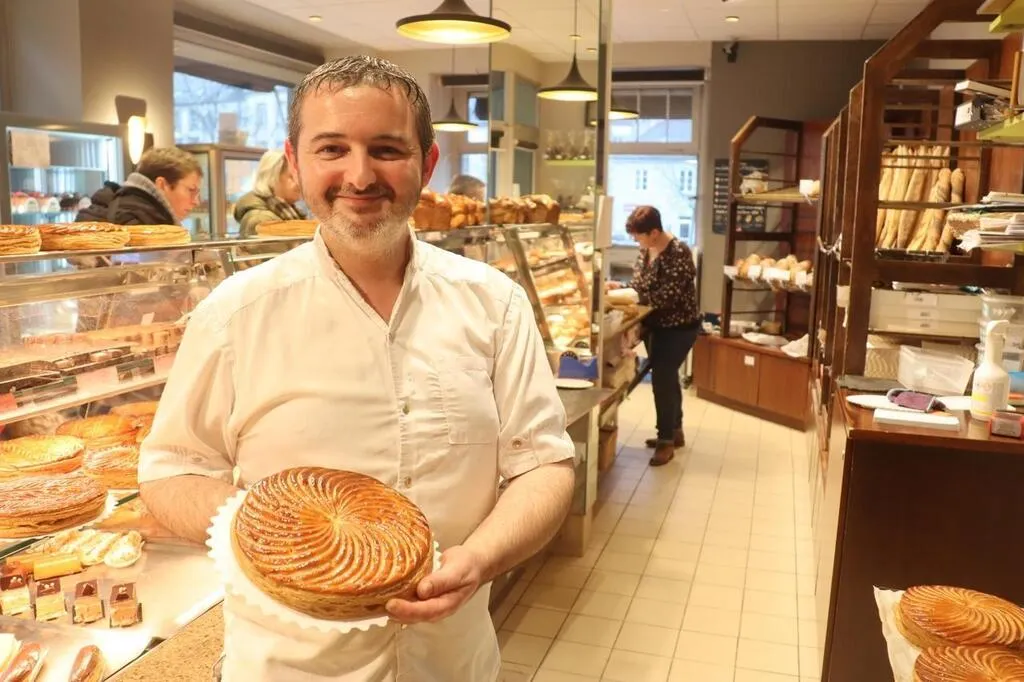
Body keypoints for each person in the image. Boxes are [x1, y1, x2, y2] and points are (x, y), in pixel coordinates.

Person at [137, 55, 575, 682]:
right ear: (296, 162)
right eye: (332, 148)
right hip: (287, 666)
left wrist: (478, 558)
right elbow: (171, 469)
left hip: (452, 662)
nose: (360, 174)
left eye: (388, 149)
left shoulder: (494, 303)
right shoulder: (235, 314)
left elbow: (545, 463)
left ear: (427, 164)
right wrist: (278, 534)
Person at [626, 205, 700, 467]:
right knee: (668, 378)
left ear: (655, 232)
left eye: (640, 236)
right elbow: (639, 283)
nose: (637, 241)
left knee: (662, 377)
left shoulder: (679, 252)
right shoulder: (646, 250)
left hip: (680, 326)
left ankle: (665, 440)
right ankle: (675, 431)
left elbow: (670, 295)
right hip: (655, 325)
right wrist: (624, 290)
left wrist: (636, 300)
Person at [76, 147, 202, 225]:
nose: (196, 201)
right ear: (162, 185)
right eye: (191, 190)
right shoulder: (142, 225)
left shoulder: (116, 206)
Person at [233, 150, 306, 237]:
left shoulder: (289, 211)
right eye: (292, 177)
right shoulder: (260, 220)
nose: (299, 182)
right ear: (272, 178)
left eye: (299, 176)